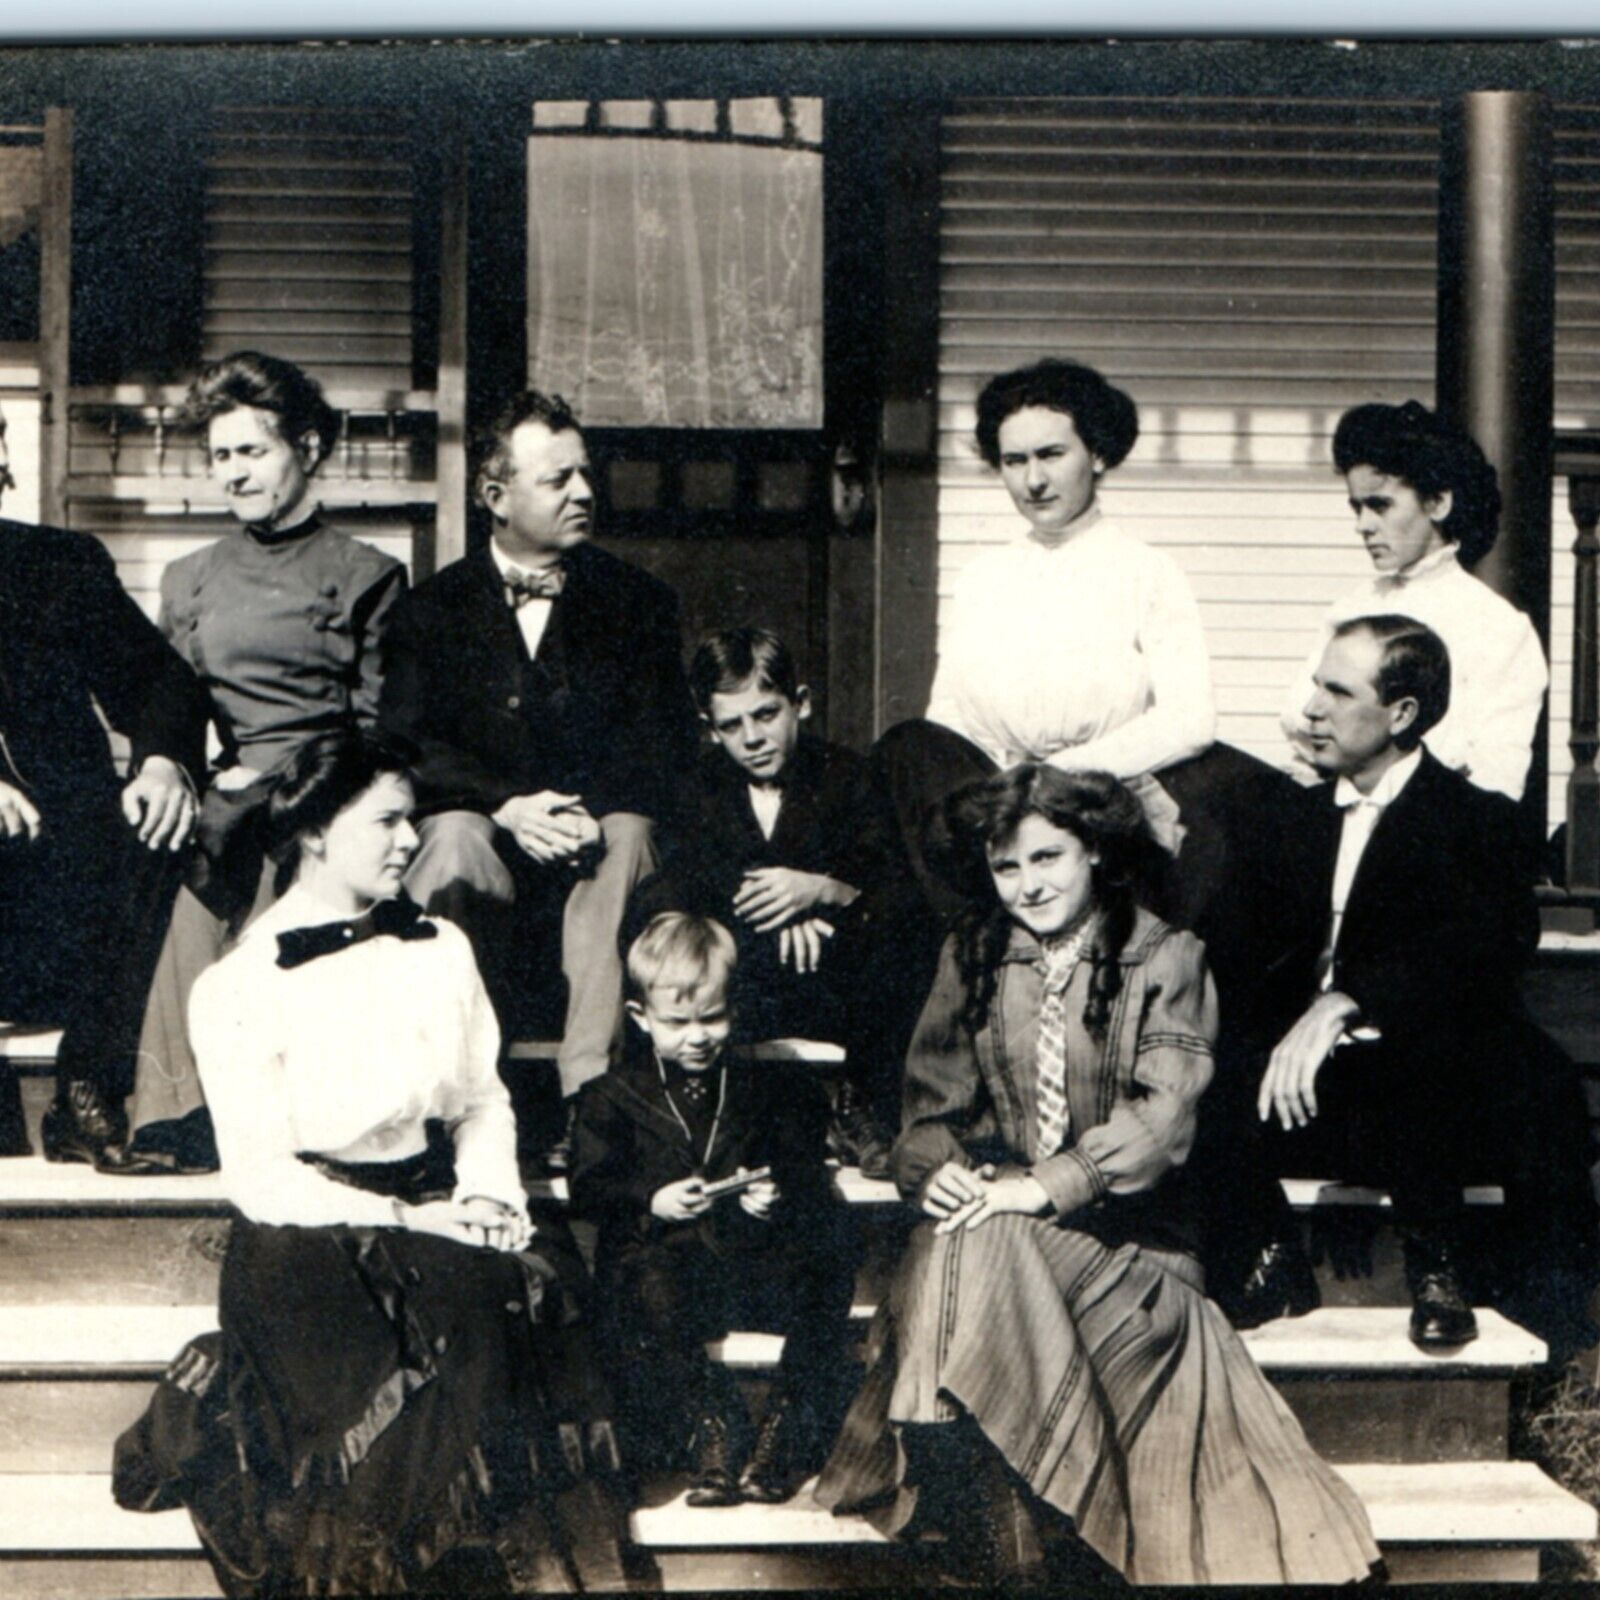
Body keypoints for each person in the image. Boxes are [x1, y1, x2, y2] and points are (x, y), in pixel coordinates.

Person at [815, 764, 1381, 1588]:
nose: (1027, 885)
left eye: (1047, 858)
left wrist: (1037, 1187)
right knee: (958, 1230)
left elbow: (1162, 1125)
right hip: (1005, 1242)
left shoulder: (1167, 958)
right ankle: (1016, 1545)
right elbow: (930, 1112)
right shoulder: (973, 956)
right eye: (1007, 867)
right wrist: (935, 1171)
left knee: (966, 1244)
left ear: (1095, 855)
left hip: (1133, 1247)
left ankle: (976, 1511)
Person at [112, 731, 629, 1596]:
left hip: (437, 1196)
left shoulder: (441, 947)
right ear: (315, 830)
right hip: (309, 1230)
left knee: (521, 1286)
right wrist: (410, 1219)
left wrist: (491, 1192)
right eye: (387, 821)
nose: (408, 841)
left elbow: (482, 1100)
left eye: (412, 820)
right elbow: (262, 1177)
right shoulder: (240, 984)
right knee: (448, 1327)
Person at [380, 390, 697, 1171]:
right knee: (450, 839)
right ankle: (447, 1105)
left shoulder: (638, 604)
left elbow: (666, 747)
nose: (585, 493)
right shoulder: (432, 609)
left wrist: (586, 810)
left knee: (630, 834)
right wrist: (507, 806)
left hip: (589, 851)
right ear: (495, 496)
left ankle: (591, 1100)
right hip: (487, 844)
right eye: (558, 480)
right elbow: (403, 744)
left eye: (585, 475)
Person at [122, 351, 407, 1171]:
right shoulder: (190, 579)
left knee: (292, 888)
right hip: (233, 793)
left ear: (307, 450)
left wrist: (299, 787)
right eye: (220, 456)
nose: (235, 473)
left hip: (333, 790)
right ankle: (182, 1113)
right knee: (187, 890)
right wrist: (168, 765)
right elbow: (169, 705)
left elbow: (381, 727)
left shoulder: (366, 575)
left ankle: (303, 1117)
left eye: (254, 451)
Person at [569, 912, 857, 1508]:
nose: (697, 1036)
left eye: (713, 1018)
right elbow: (589, 1186)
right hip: (667, 1276)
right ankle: (714, 1425)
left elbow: (799, 1166)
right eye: (677, 1023)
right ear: (640, 1019)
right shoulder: (611, 1096)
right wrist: (652, 1199)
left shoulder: (764, 1089)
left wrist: (769, 1198)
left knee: (825, 1267)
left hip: (743, 1263)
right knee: (640, 1280)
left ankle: (784, 1428)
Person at [0, 400, 208, 1166]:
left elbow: (161, 682)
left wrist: (159, 761)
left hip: (58, 884)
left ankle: (87, 1084)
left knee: (156, 822)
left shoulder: (57, 566)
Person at [632, 626, 920, 1178]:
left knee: (897, 923)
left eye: (766, 715)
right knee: (662, 903)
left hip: (830, 977)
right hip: (744, 982)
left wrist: (820, 891)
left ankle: (860, 1107)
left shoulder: (846, 775)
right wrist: (777, 906)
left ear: (801, 704)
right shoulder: (696, 786)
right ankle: (683, 1108)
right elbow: (693, 872)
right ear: (710, 731)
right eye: (731, 726)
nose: (752, 738)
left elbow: (884, 872)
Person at [1280, 400, 1546, 801]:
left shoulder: (1497, 626)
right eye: (1357, 507)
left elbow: (1496, 780)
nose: (1363, 526)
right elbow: (1301, 729)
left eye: (1380, 505)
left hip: (1435, 839)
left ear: (1438, 502)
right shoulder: (1351, 609)